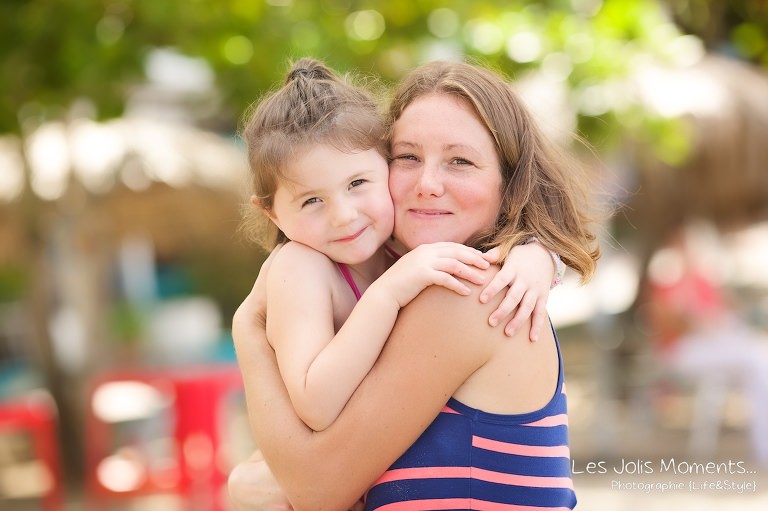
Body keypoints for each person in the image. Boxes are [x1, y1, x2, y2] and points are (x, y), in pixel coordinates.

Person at [230, 60, 599, 511]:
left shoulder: (467, 296)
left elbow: (315, 490)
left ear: (510, 182)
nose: (427, 184)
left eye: (460, 161)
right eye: (407, 157)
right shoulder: (404, 282)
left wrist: (248, 330)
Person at [643, 222, 768, 464]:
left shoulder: (702, 278)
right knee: (756, 357)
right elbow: (663, 324)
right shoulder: (666, 276)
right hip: (681, 351)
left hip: (715, 346)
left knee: (758, 361)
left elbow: (727, 310)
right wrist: (693, 320)